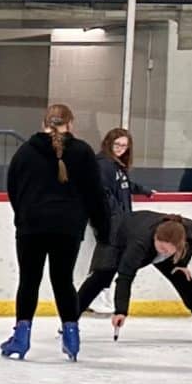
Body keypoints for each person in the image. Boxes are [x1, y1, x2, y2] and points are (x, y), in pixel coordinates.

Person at [1, 103, 110, 361]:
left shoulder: (26, 152)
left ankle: (21, 337)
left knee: (29, 280)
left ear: (44, 124)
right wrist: (103, 230)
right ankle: (71, 337)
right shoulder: (83, 152)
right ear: (70, 124)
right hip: (68, 227)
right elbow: (95, 194)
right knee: (63, 281)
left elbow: (13, 188)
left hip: (32, 226)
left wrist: (23, 216)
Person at [101, 212, 192, 343]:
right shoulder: (141, 244)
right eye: (161, 247)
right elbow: (125, 278)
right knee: (100, 276)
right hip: (140, 249)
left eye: (166, 250)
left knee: (183, 278)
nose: (162, 252)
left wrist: (183, 263)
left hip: (170, 255)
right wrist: (121, 311)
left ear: (179, 245)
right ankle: (76, 316)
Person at [73, 127, 147, 316]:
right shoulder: (103, 164)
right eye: (117, 144)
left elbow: (124, 185)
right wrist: (114, 215)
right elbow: (103, 192)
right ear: (109, 143)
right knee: (106, 256)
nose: (121, 148)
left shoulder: (116, 165)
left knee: (112, 256)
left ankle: (102, 295)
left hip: (118, 219)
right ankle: (96, 296)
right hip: (109, 219)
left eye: (124, 145)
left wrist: (143, 190)